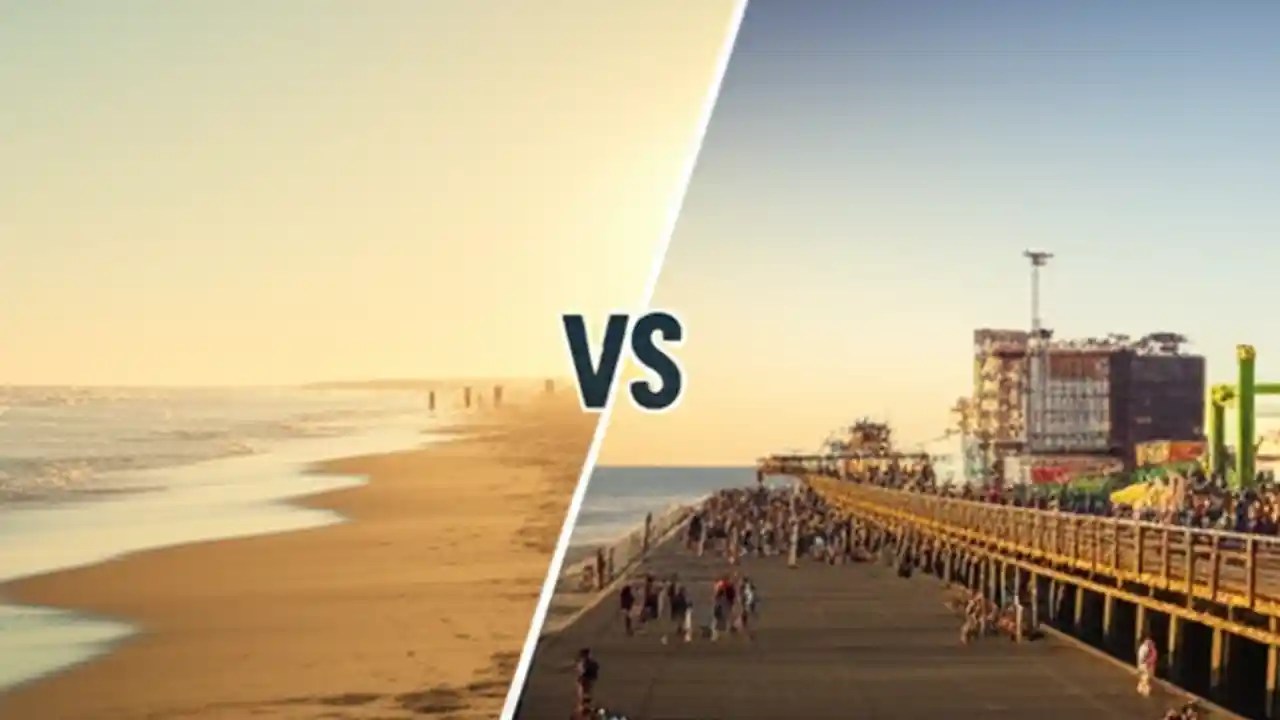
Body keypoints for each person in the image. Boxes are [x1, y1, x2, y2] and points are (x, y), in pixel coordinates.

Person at [575, 648, 599, 714]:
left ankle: (584, 708)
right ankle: (585, 708)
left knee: (584, 694)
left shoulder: (587, 663)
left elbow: (583, 672)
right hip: (586, 680)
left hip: (586, 680)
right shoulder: (587, 663)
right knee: (585, 694)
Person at [1137, 632, 1157, 696]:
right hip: (1145, 665)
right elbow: (1144, 657)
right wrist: (1145, 662)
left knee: (1145, 678)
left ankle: (1141, 688)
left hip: (1145, 665)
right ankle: (1144, 690)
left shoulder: (1146, 648)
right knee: (1146, 678)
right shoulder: (1145, 648)